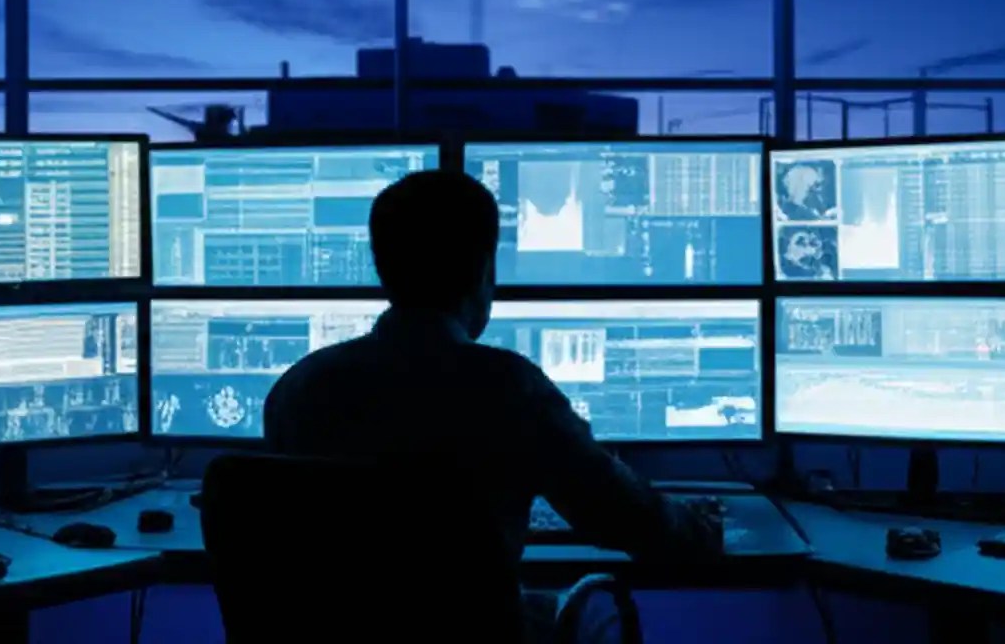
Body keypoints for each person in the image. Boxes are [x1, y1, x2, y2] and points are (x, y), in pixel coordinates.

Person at [263, 170, 722, 632]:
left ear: (380, 267)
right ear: (485, 270)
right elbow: (622, 515)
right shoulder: (508, 388)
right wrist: (696, 528)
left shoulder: (297, 389)